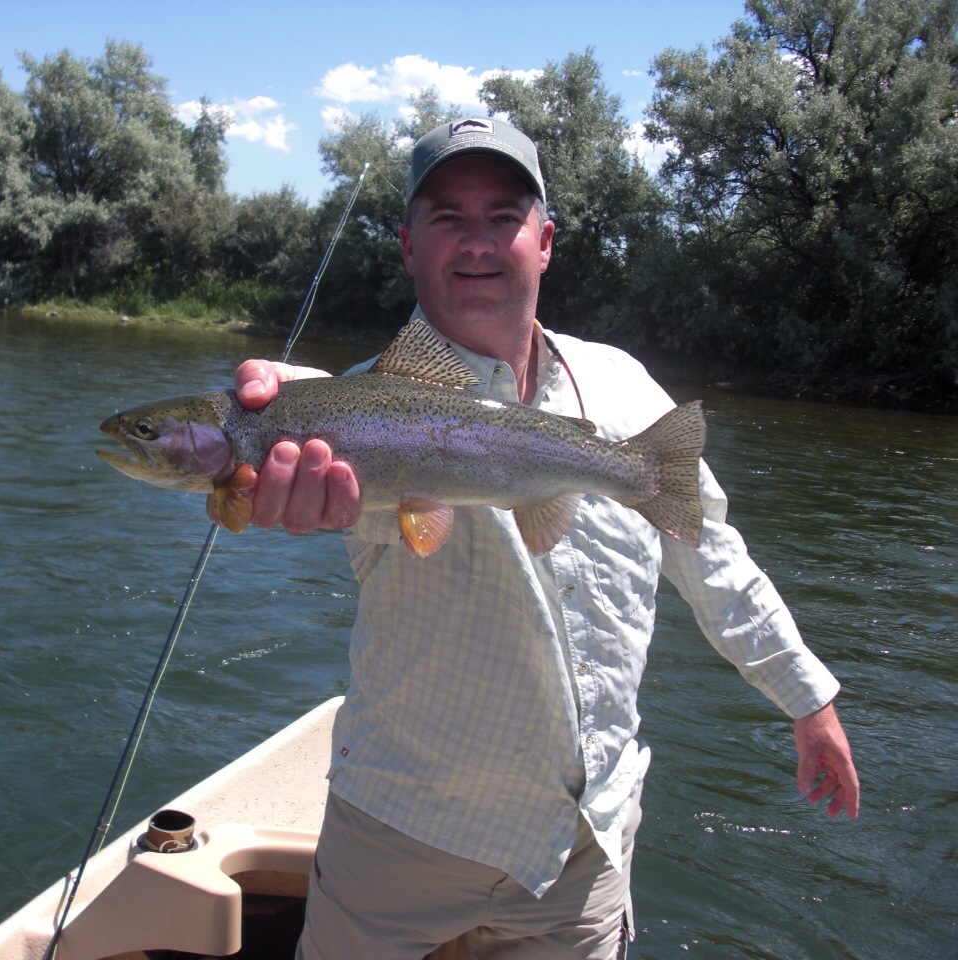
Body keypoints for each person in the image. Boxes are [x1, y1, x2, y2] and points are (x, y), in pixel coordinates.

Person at [226, 118, 860, 960]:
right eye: (448, 217)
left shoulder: (627, 391)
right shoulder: (346, 413)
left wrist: (807, 699)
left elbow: (712, 552)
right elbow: (309, 409)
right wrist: (270, 422)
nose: (479, 242)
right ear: (409, 246)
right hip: (402, 834)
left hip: (583, 851)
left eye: (504, 215)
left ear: (546, 240)